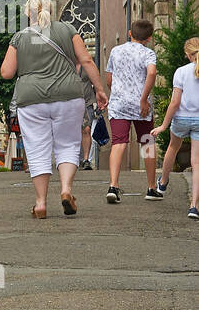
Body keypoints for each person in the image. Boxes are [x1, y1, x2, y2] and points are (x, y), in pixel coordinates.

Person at [0, 0, 108, 218]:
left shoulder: (20, 37)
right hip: (68, 95)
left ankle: (40, 203)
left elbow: (6, 73)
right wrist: (99, 89)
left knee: (38, 149)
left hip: (31, 100)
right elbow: (86, 60)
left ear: (28, 13)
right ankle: (66, 190)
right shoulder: (68, 30)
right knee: (68, 143)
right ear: (53, 10)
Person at [103, 20, 159, 203]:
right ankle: (151, 187)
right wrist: (143, 98)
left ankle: (113, 186)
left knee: (119, 143)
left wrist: (119, 93)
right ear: (149, 38)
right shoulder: (148, 53)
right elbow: (151, 73)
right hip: (141, 106)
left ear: (129, 34)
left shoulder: (115, 51)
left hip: (119, 103)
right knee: (147, 143)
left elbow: (109, 79)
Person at [150, 36, 199, 220]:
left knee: (173, 147)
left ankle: (162, 183)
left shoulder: (181, 72)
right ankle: (194, 206)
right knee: (197, 163)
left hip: (181, 119)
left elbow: (175, 102)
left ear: (188, 55)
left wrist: (163, 125)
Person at [77, 63, 97, 170]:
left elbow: (95, 80)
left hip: (87, 101)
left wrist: (99, 95)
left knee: (86, 129)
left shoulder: (86, 64)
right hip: (69, 102)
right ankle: (73, 159)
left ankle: (86, 160)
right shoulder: (65, 63)